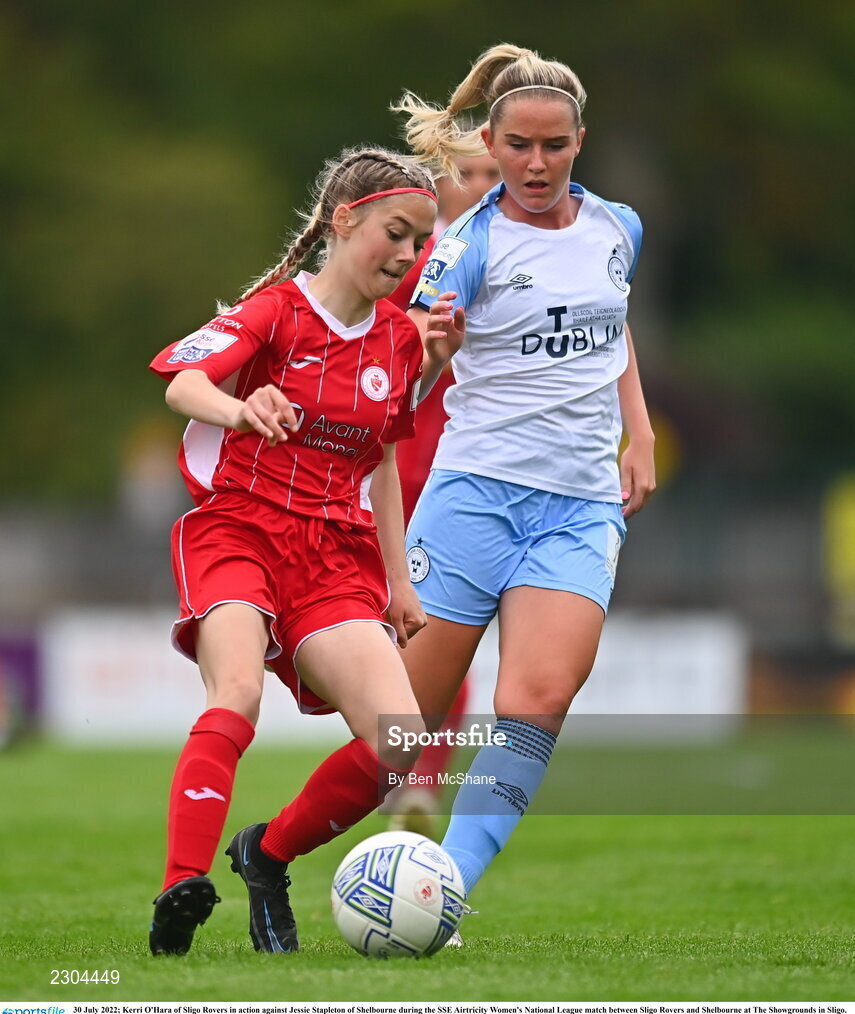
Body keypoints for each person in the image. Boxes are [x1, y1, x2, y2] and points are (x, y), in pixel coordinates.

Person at [147, 146, 442, 956]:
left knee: (401, 745)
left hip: (334, 555)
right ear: (345, 221)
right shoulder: (275, 312)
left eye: (419, 241)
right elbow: (183, 383)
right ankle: (182, 884)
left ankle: (266, 855)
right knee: (236, 690)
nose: (406, 255)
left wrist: (398, 580)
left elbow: (381, 464)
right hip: (239, 529)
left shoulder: (398, 342)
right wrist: (239, 411)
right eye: (395, 232)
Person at [391, 43, 657, 933]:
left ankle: (442, 890)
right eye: (518, 148)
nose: (535, 165)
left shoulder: (620, 227)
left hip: (577, 504)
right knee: (398, 724)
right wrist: (436, 349)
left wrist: (640, 432)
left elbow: (606, 335)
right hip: (474, 492)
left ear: (580, 140)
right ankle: (272, 852)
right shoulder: (462, 246)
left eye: (554, 146)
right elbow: (409, 376)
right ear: (493, 145)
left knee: (535, 699)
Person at [385, 147, 501, 835]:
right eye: (469, 174)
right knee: (375, 639)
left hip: (460, 476)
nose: (484, 187)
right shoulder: (407, 266)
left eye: (493, 174)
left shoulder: (520, 261)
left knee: (442, 635)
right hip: (383, 474)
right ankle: (392, 767)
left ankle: (417, 779)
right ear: (434, 185)